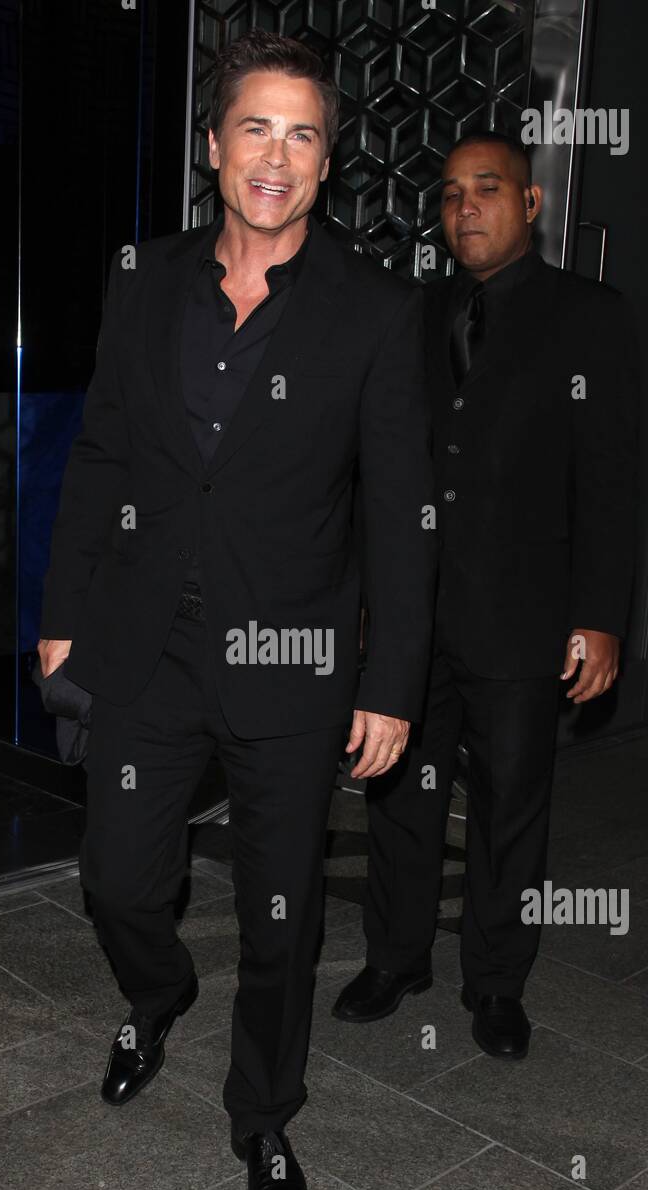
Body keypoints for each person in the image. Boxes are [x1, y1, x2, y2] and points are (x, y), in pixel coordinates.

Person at [37, 29, 436, 1190]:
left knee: (281, 910)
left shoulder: (375, 311)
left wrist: (392, 679)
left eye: (303, 132)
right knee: (116, 876)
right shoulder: (143, 279)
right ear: (213, 147)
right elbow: (100, 450)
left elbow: (402, 518)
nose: (277, 154)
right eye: (255, 127)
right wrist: (62, 616)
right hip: (149, 640)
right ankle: (156, 995)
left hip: (295, 661)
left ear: (326, 159)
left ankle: (260, 1114)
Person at [334, 131, 638, 1061]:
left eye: (488, 189)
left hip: (525, 619)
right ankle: (396, 957)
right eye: (453, 193)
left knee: (512, 803)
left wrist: (600, 617)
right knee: (400, 796)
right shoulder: (412, 314)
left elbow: (613, 482)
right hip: (414, 618)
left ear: (532, 203)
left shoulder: (589, 316)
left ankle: (497, 981)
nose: (466, 207)